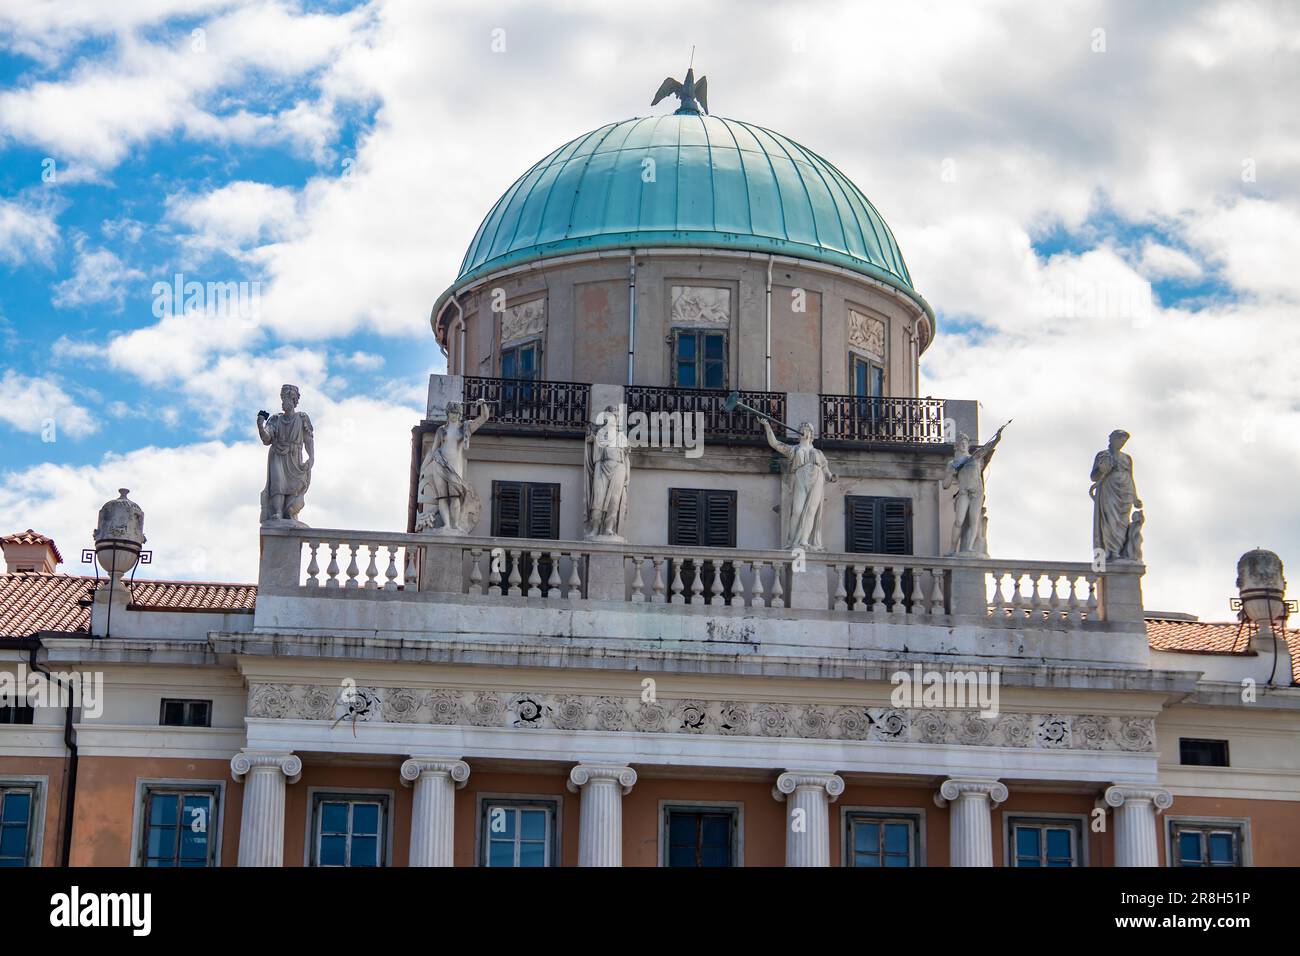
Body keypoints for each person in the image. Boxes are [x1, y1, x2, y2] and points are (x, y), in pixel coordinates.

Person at [417, 400, 491, 533]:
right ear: (447, 413)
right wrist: (423, 466)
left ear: (460, 413)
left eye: (457, 412)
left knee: (455, 496)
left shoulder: (465, 428)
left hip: (455, 467)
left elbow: (484, 418)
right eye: (452, 412)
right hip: (439, 464)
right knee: (442, 497)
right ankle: (446, 525)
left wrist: (483, 405)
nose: (454, 415)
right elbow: (433, 450)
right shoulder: (441, 430)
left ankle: (455, 525)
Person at [763, 420, 836, 551]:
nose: (803, 430)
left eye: (806, 428)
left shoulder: (818, 452)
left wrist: (831, 477)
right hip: (801, 478)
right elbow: (774, 443)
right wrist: (767, 426)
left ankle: (804, 541)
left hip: (817, 478)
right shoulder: (794, 449)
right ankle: (793, 541)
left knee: (811, 511)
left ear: (810, 433)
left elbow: (825, 468)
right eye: (801, 428)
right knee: (797, 511)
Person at [943, 423, 1007, 555]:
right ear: (956, 445)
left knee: (974, 520)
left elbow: (987, 448)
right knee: (959, 520)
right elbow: (945, 485)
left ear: (968, 445)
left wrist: (997, 438)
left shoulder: (975, 456)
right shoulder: (952, 463)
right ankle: (952, 549)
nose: (963, 444)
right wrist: (950, 473)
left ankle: (969, 548)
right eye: (961, 442)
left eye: (965, 442)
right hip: (964, 492)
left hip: (977, 492)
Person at [257, 384, 314, 524]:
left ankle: (288, 514)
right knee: (278, 484)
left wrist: (311, 457)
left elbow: (308, 440)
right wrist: (260, 425)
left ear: (294, 400)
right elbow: (267, 438)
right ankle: (276, 512)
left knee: (294, 487)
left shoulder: (302, 418)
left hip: (295, 457)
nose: (284, 402)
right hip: (277, 454)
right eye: (283, 398)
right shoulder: (275, 419)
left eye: (287, 398)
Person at [1091, 429, 1142, 560]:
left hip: (1126, 490)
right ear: (1112, 439)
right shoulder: (1103, 455)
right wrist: (1102, 470)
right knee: (1110, 520)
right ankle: (1112, 553)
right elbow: (1094, 477)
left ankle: (1121, 552)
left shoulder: (1127, 458)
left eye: (1124, 440)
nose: (1122, 442)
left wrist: (1135, 497)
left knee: (1123, 522)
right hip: (1109, 489)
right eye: (1120, 439)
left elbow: (1131, 477)